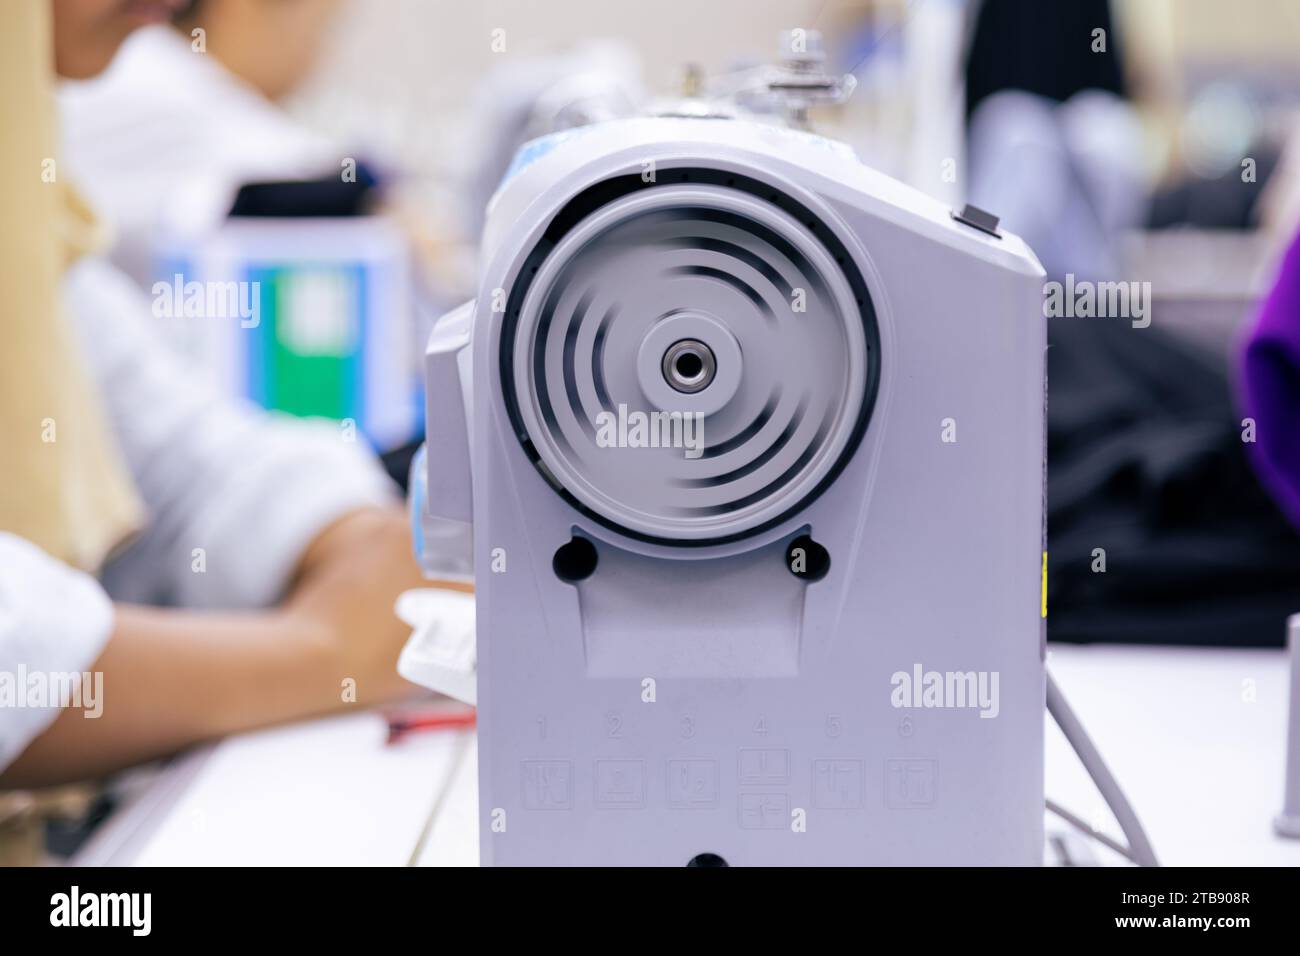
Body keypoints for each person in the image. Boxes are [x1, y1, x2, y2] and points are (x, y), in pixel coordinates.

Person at [0, 0, 464, 790]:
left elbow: (169, 444)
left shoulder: (26, 166)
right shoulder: (147, 94)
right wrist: (321, 649)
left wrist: (347, 536)